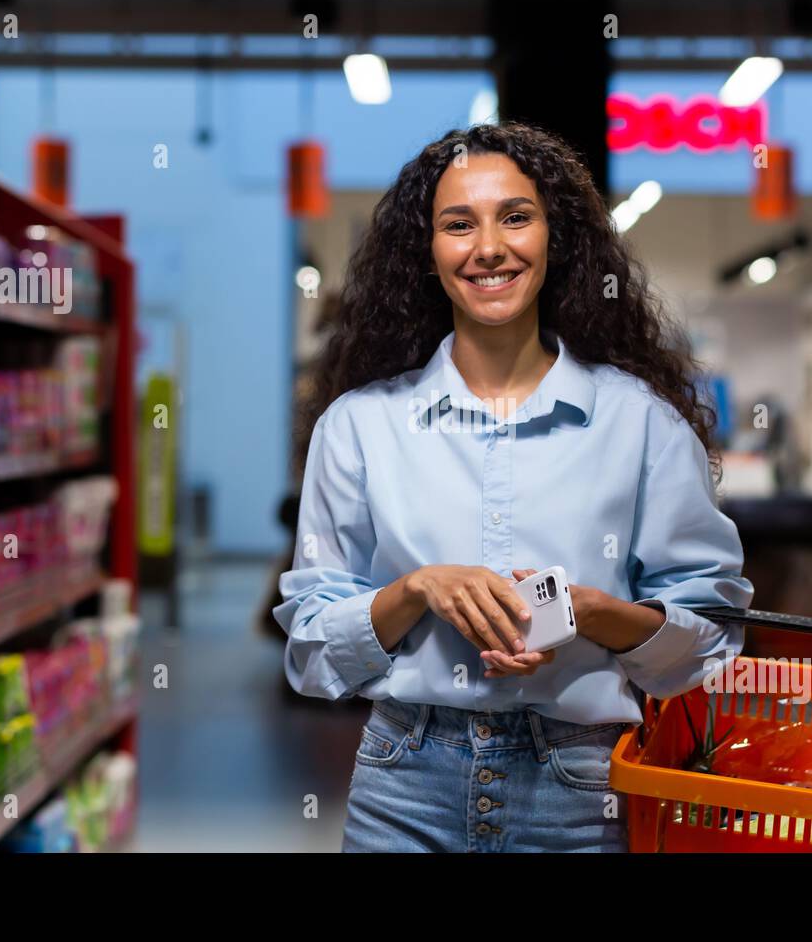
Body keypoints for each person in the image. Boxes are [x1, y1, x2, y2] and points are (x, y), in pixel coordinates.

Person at [273, 122, 753, 852]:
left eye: (516, 217)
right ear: (427, 252)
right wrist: (417, 590)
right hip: (404, 782)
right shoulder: (360, 427)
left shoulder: (640, 424)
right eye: (458, 224)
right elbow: (309, 651)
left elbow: (709, 641)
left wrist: (593, 613)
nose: (489, 247)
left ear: (555, 238)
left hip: (580, 785)